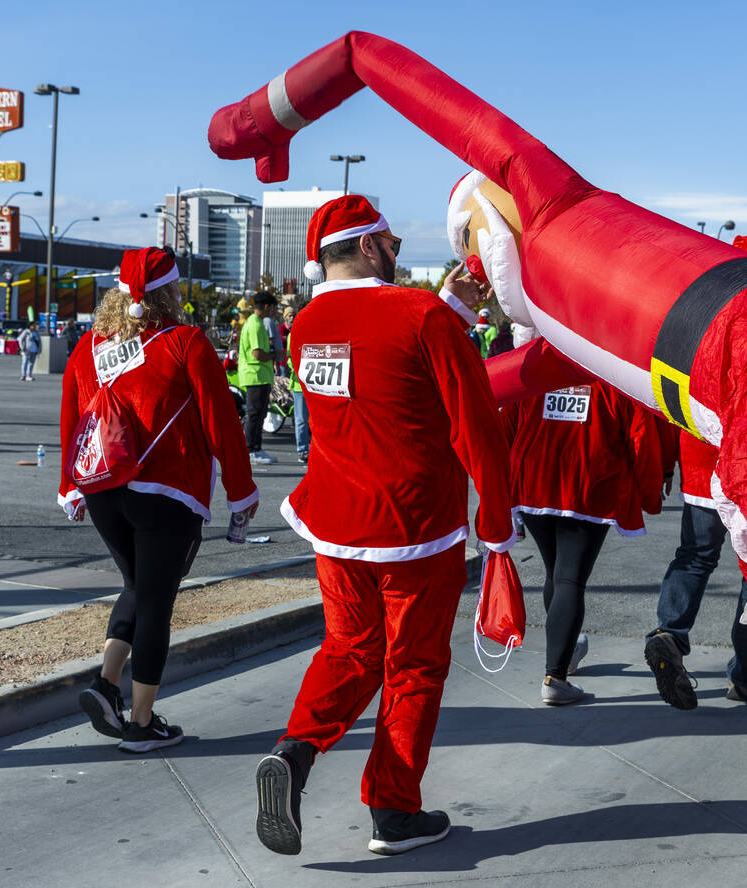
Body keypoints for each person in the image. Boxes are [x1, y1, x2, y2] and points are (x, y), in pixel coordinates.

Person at [254, 195, 515, 858]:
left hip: (335, 522)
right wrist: (497, 522)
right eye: (392, 240)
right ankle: (392, 810)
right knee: (414, 667)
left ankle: (296, 752)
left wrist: (448, 313)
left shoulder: (308, 324)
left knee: (348, 651)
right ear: (371, 246)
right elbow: (474, 423)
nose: (398, 249)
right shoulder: (421, 315)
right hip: (414, 526)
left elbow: (378, 369)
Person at [58, 247, 257, 752]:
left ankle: (106, 684)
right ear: (172, 291)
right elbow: (222, 423)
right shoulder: (186, 341)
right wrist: (241, 490)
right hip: (166, 491)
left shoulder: (88, 346)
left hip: (103, 487)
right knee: (157, 600)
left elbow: (71, 420)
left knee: (137, 585)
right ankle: (142, 723)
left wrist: (69, 485)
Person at [502, 380, 663, 704]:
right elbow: (641, 435)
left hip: (534, 481)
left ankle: (567, 648)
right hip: (589, 487)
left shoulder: (536, 367)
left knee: (555, 572)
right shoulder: (607, 371)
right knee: (569, 577)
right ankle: (555, 676)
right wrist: (649, 494)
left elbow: (505, 427)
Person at [644, 430, 747, 709]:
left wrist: (665, 465)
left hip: (701, 458)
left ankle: (670, 634)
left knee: (695, 555)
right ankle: (745, 674)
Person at [240, 291, 278, 464]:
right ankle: (250, 450)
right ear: (267, 307)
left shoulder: (256, 323)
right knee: (255, 414)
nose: (274, 313)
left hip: (260, 376)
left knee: (259, 414)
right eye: (273, 309)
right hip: (255, 376)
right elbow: (257, 354)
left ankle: (256, 448)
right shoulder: (255, 324)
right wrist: (274, 355)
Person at [283, 305, 311, 464]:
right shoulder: (292, 335)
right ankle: (302, 450)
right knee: (301, 420)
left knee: (313, 421)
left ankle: (314, 449)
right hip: (299, 384)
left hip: (312, 385)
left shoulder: (312, 333)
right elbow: (290, 358)